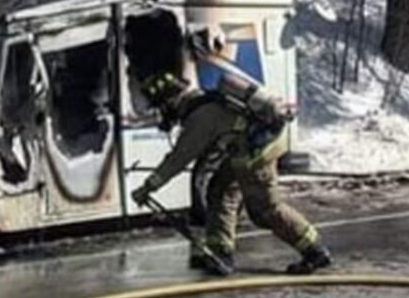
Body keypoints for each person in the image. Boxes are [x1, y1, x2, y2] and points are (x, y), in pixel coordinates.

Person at [130, 44, 332, 276]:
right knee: (221, 190)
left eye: (161, 109)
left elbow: (178, 159)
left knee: (265, 209)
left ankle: (315, 251)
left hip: (257, 154)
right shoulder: (203, 102)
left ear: (170, 103)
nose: (163, 117)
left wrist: (148, 187)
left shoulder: (199, 119)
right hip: (245, 151)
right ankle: (221, 253)